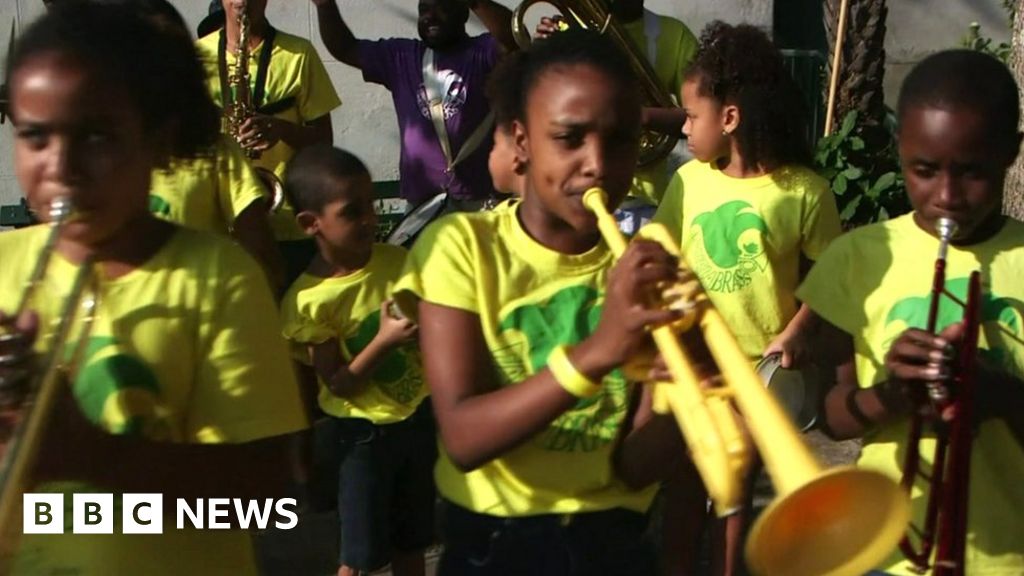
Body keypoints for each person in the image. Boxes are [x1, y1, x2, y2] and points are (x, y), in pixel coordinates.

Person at [0, 4, 307, 574]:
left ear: (158, 140)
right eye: (34, 137)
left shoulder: (217, 280)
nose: (60, 166)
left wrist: (89, 457)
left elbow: (268, 506)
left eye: (95, 136)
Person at [393, 28, 689, 575]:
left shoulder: (645, 267)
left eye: (620, 139)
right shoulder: (461, 249)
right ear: (521, 141)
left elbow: (633, 467)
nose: (598, 163)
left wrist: (686, 397)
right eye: (570, 138)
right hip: (496, 539)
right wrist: (599, 352)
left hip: (613, 542)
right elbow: (463, 436)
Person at [797, 49, 1024, 575]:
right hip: (889, 546)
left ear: (1011, 154)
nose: (947, 196)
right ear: (900, 149)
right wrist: (894, 394)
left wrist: (996, 392)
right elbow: (831, 417)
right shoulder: (858, 258)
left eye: (973, 173)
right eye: (924, 170)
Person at [650, 21, 842, 575]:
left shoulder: (805, 192)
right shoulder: (688, 183)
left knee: (733, 499)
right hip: (693, 367)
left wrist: (803, 327)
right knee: (684, 491)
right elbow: (658, 255)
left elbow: (830, 279)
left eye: (690, 115)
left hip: (760, 375)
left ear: (729, 118)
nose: (683, 127)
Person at [280, 146, 434, 576]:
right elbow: (338, 384)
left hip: (416, 421)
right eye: (351, 212)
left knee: (413, 541)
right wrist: (385, 341)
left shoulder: (397, 261)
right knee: (359, 557)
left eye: (370, 205)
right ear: (312, 224)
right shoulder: (309, 301)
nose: (369, 218)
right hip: (363, 441)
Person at [311, 0, 514, 210]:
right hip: (423, 206)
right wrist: (325, 6)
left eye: (442, 7)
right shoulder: (402, 57)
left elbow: (513, 37)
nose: (430, 16)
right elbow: (345, 48)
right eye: (424, 10)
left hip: (481, 201)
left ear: (464, 13)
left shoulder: (483, 52)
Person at [197, 0, 341, 285]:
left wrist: (282, 129)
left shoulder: (300, 54)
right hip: (220, 222)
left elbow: (325, 143)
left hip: (289, 223)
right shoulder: (194, 58)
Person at [537, 0, 698, 232]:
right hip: (576, 195)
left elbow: (703, 117)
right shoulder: (568, 30)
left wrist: (641, 116)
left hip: (648, 204)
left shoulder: (673, 34)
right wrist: (543, 56)